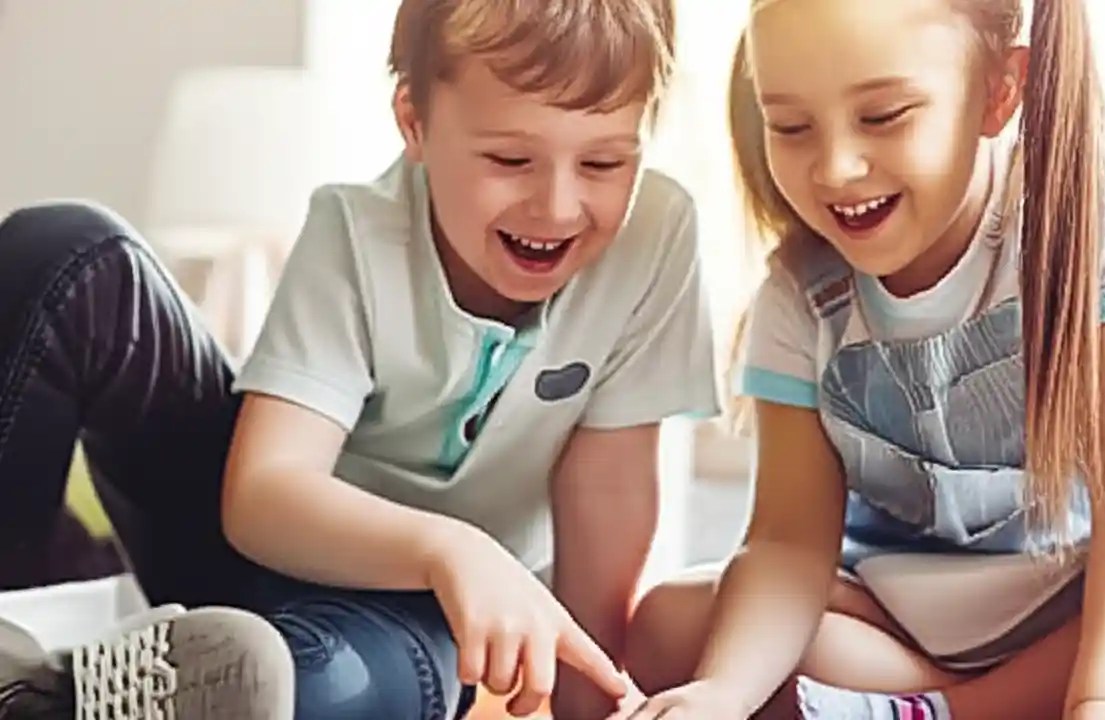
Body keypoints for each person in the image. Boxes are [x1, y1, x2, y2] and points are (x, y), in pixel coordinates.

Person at [0, 0, 718, 717]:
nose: (558, 207)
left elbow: (608, 493)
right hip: (244, 540)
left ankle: (51, 698)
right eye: (509, 159)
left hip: (398, 619)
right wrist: (447, 547)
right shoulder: (355, 232)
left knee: (331, 681)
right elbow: (261, 496)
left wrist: (592, 701)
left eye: (603, 162)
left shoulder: (654, 238)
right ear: (415, 123)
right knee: (73, 251)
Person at [620, 1, 1105, 719]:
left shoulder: (1086, 231)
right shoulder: (801, 296)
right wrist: (721, 694)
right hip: (918, 618)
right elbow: (786, 540)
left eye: (885, 116)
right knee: (668, 628)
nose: (836, 167)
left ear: (1000, 90)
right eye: (791, 126)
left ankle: (968, 709)